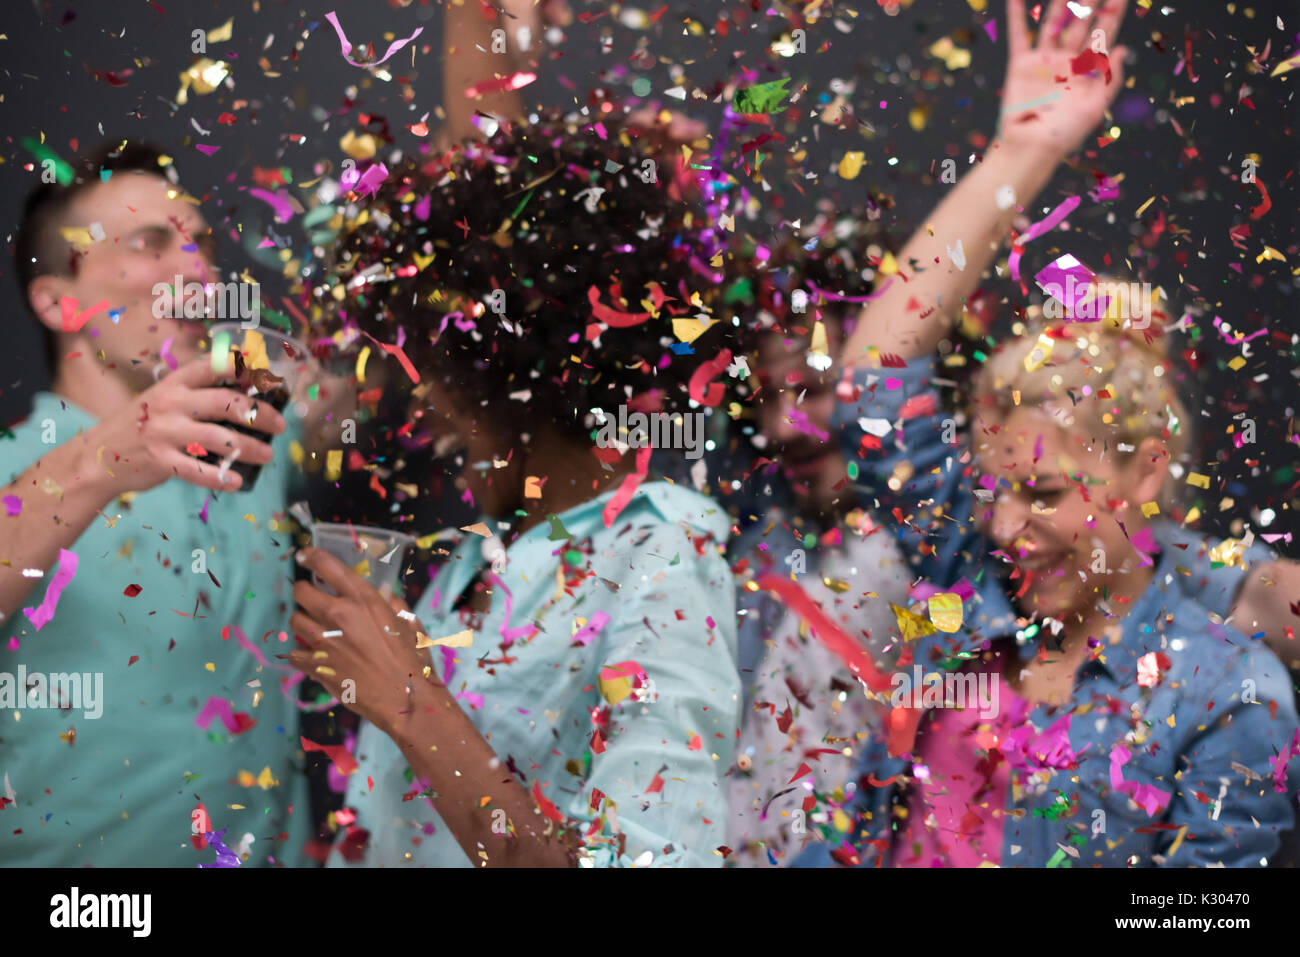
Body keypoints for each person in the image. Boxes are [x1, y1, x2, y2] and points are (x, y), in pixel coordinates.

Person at [794, 0, 1297, 867]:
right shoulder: (969, 575)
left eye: (1045, 492)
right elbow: (871, 378)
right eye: (995, 489)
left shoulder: (1230, 694)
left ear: (1147, 471)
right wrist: (1022, 150)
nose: (1002, 525)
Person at [287, 107, 744, 867]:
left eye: (442, 367)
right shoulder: (470, 568)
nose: (423, 401)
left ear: (517, 372)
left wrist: (409, 698)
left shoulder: (663, 553)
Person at [0, 141, 330, 865]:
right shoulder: (13, 469)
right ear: (60, 299)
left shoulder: (250, 432)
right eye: (151, 244)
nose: (197, 270)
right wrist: (100, 459)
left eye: (199, 243)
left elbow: (352, 369)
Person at [719, 216, 912, 866]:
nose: (783, 427)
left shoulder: (943, 563)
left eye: (816, 391)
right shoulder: (754, 544)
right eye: (771, 398)